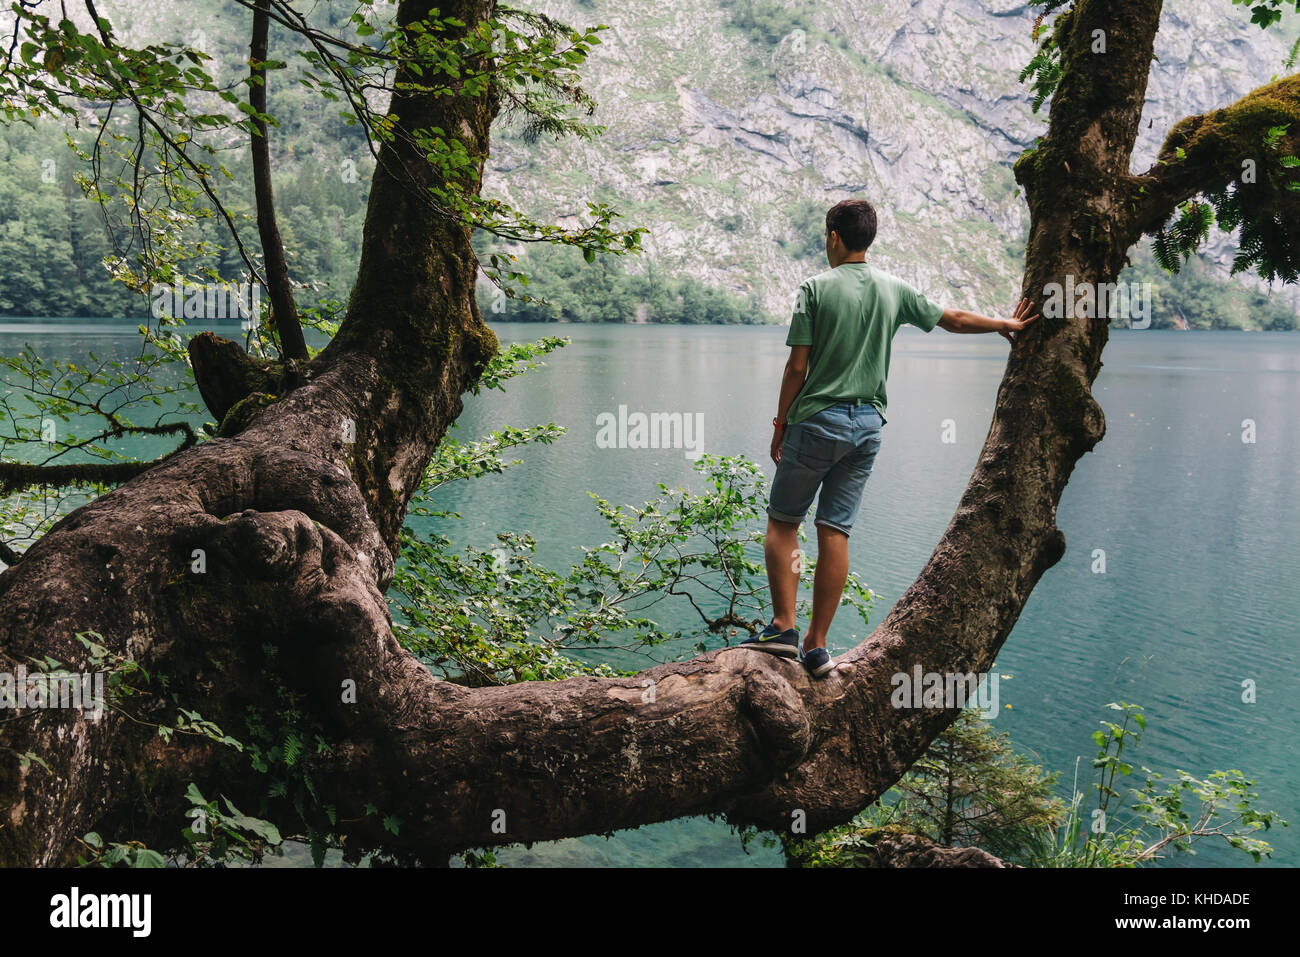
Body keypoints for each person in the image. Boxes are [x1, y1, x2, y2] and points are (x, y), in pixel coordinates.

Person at [741, 198, 1038, 677]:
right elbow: (954, 319)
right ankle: (817, 647)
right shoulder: (892, 288)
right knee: (835, 530)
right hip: (867, 429)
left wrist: (780, 424)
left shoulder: (815, 289)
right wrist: (1006, 323)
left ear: (835, 237)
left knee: (783, 523)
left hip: (817, 420)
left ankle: (783, 628)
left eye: (825, 235)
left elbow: (797, 366)